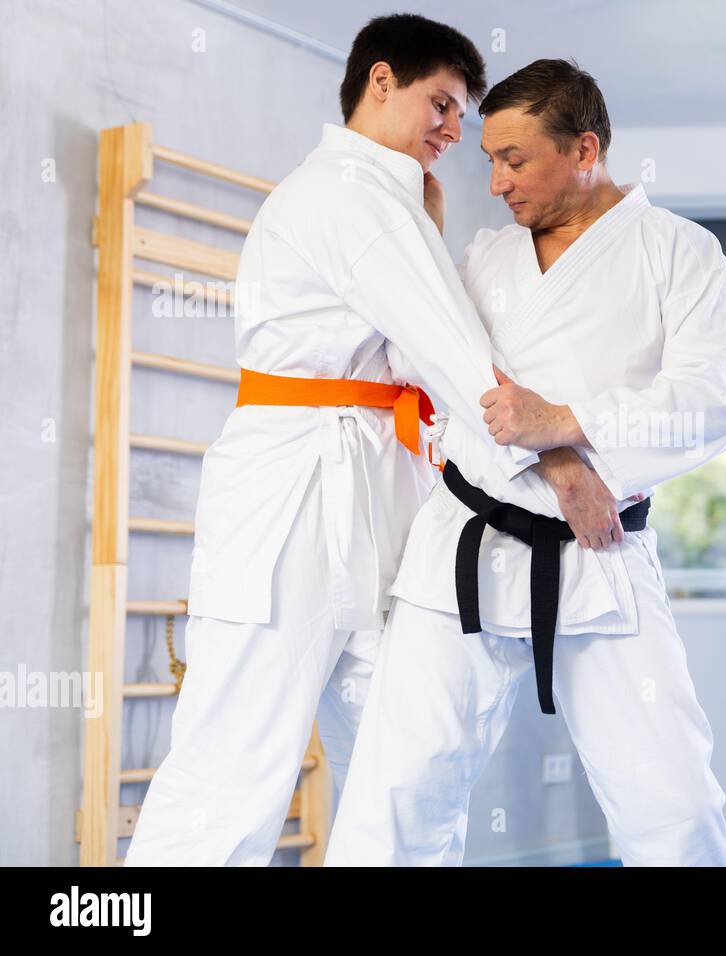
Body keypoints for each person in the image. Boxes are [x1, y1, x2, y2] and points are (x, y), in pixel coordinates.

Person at [126, 17, 606, 866]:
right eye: (444, 104)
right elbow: (455, 353)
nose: (456, 131)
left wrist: (427, 219)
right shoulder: (347, 193)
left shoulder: (390, 199)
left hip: (377, 488)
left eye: (460, 116)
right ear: (381, 81)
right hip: (297, 492)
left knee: (409, 759)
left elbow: (427, 346)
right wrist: (565, 465)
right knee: (236, 760)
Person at [325, 60, 726, 867]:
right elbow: (432, 379)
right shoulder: (485, 259)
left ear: (585, 148)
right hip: (464, 547)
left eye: (514, 159)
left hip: (601, 550)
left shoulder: (680, 254)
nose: (496, 181)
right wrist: (559, 458)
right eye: (487, 158)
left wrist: (566, 421)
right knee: (399, 795)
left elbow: (710, 404)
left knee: (675, 804)